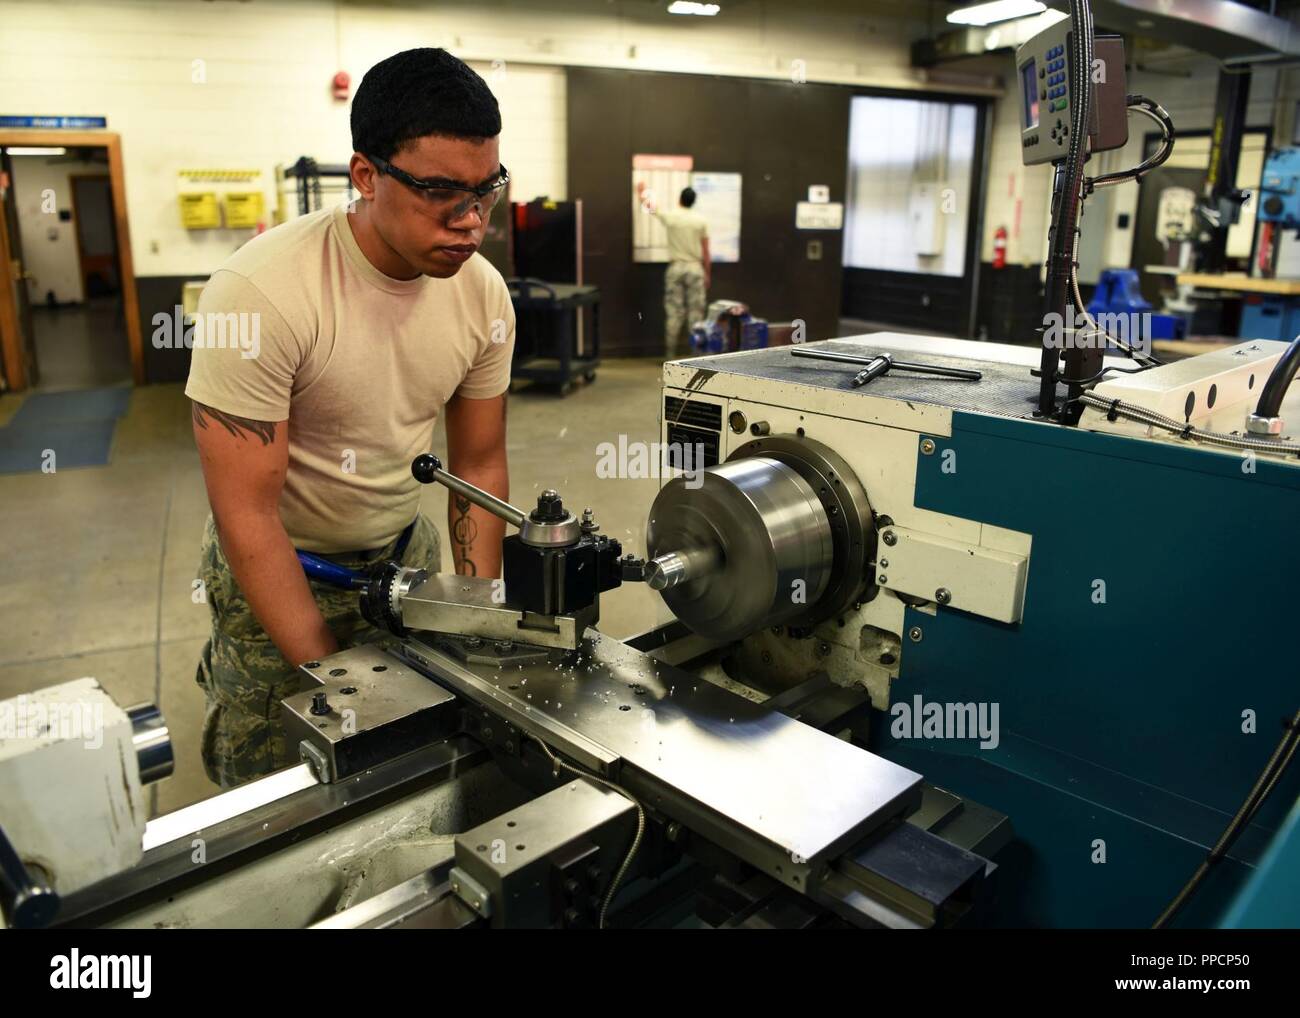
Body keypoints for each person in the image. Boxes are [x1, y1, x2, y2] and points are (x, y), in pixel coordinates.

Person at [185, 48, 514, 787]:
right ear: (366, 176)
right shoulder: (262, 292)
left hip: (404, 554)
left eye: (485, 190)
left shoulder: (483, 296)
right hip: (282, 563)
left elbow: (480, 463)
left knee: (421, 763)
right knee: (284, 781)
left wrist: (480, 613)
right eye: (439, 192)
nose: (472, 223)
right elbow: (246, 512)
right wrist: (334, 678)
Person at [639, 182, 710, 357]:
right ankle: (696, 355)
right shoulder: (700, 221)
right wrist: (707, 272)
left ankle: (669, 355)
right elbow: (706, 250)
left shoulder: (671, 216)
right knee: (696, 313)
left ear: (680, 199)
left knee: (674, 312)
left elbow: (651, 207)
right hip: (695, 267)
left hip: (676, 268)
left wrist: (641, 193)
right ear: (693, 202)